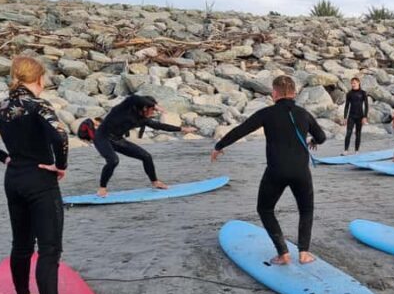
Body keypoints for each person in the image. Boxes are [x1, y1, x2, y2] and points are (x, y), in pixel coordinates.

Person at [0, 56, 91, 294]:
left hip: (14, 180)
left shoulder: (1, 105)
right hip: (40, 181)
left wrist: (4, 158)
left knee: (21, 244)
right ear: (39, 79)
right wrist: (61, 166)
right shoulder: (37, 105)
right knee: (49, 249)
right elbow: (60, 135)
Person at [211, 75, 327, 265]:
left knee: (265, 209)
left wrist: (219, 146)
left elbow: (242, 130)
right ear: (294, 93)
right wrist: (312, 141)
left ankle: (283, 253)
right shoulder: (303, 114)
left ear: (274, 93)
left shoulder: (266, 113)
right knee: (306, 210)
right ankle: (304, 253)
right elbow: (321, 137)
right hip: (301, 172)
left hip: (276, 171)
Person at [94, 95, 196, 197]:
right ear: (145, 107)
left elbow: (160, 126)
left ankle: (155, 182)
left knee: (146, 157)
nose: (153, 112)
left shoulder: (142, 119)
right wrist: (155, 105)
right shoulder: (124, 109)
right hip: (102, 137)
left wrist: (182, 129)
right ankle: (102, 188)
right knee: (113, 160)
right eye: (152, 110)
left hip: (118, 139)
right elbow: (133, 98)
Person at [341, 77, 368, 155]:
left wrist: (365, 117)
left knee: (358, 133)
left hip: (360, 116)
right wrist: (345, 117)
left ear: (358, 83)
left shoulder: (363, 93)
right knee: (348, 133)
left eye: (354, 83)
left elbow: (366, 106)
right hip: (351, 116)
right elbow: (346, 106)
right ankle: (346, 150)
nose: (353, 84)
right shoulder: (349, 94)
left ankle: (357, 151)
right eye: (352, 83)